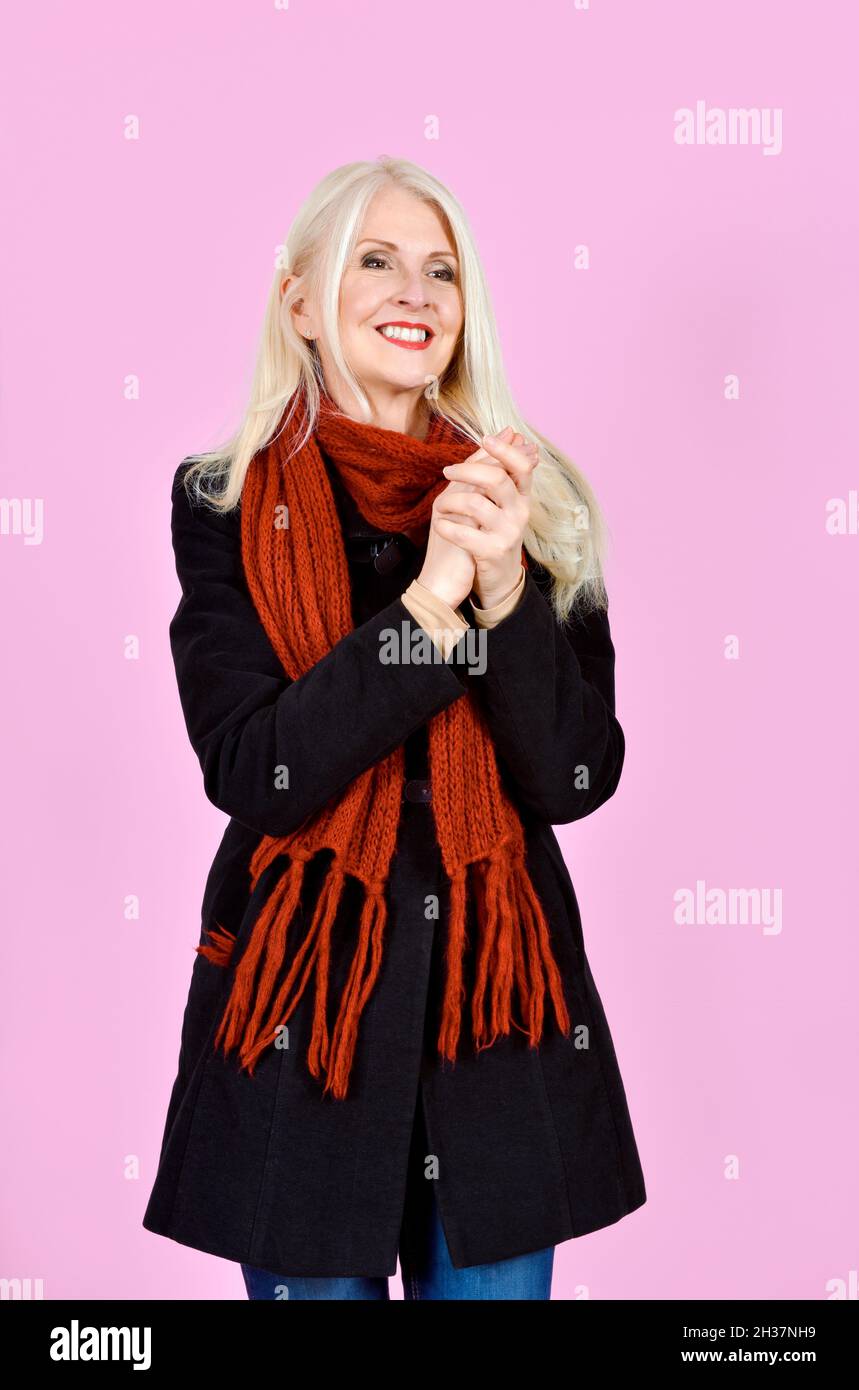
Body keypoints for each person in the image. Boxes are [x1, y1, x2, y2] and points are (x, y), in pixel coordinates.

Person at [142, 155, 646, 1300]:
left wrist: (505, 586)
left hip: (498, 1026)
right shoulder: (220, 500)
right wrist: (427, 608)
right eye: (374, 260)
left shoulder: (534, 493)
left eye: (440, 269)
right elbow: (259, 768)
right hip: (303, 1034)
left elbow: (573, 774)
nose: (412, 292)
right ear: (300, 301)